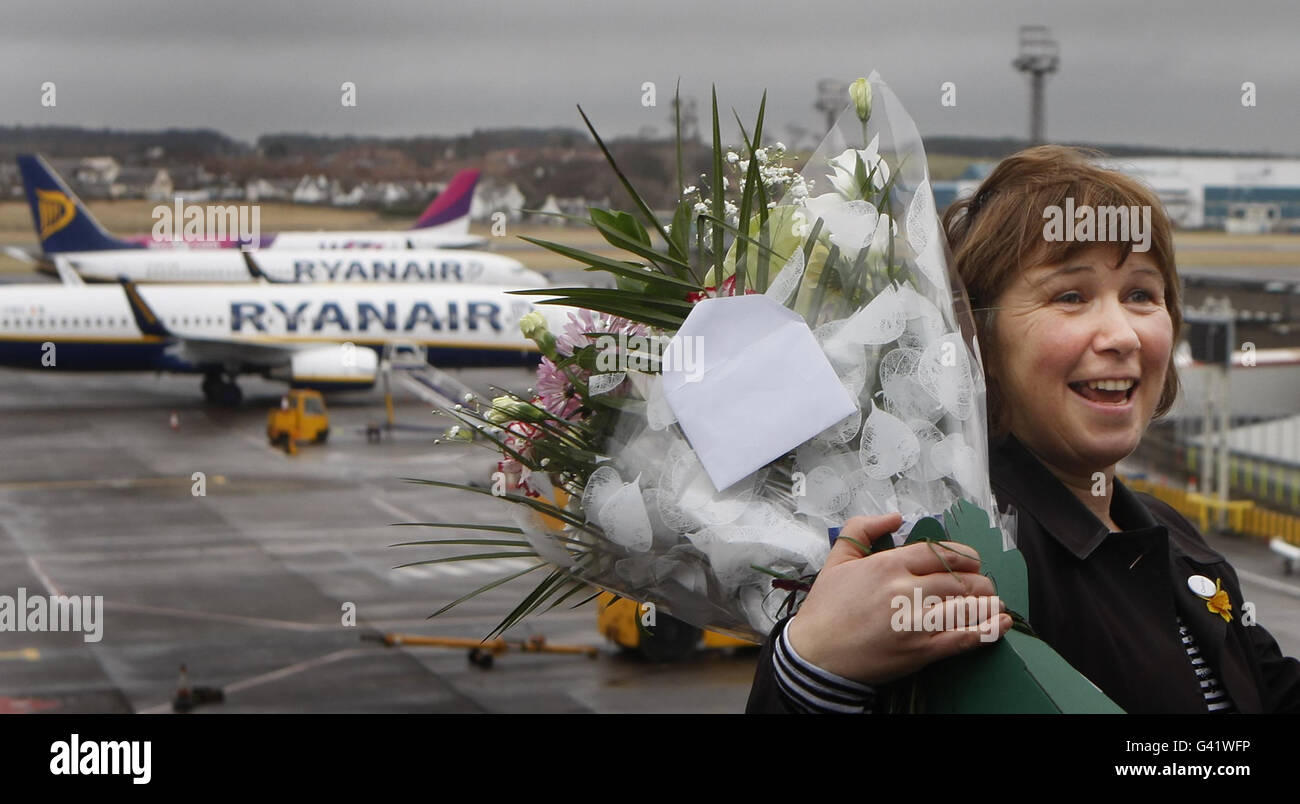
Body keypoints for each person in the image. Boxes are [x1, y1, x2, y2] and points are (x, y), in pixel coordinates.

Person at [746, 145, 1300, 713]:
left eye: (1141, 294)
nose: (1123, 335)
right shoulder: (956, 554)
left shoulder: (1172, 536)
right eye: (1070, 296)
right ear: (977, 340)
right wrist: (810, 670)